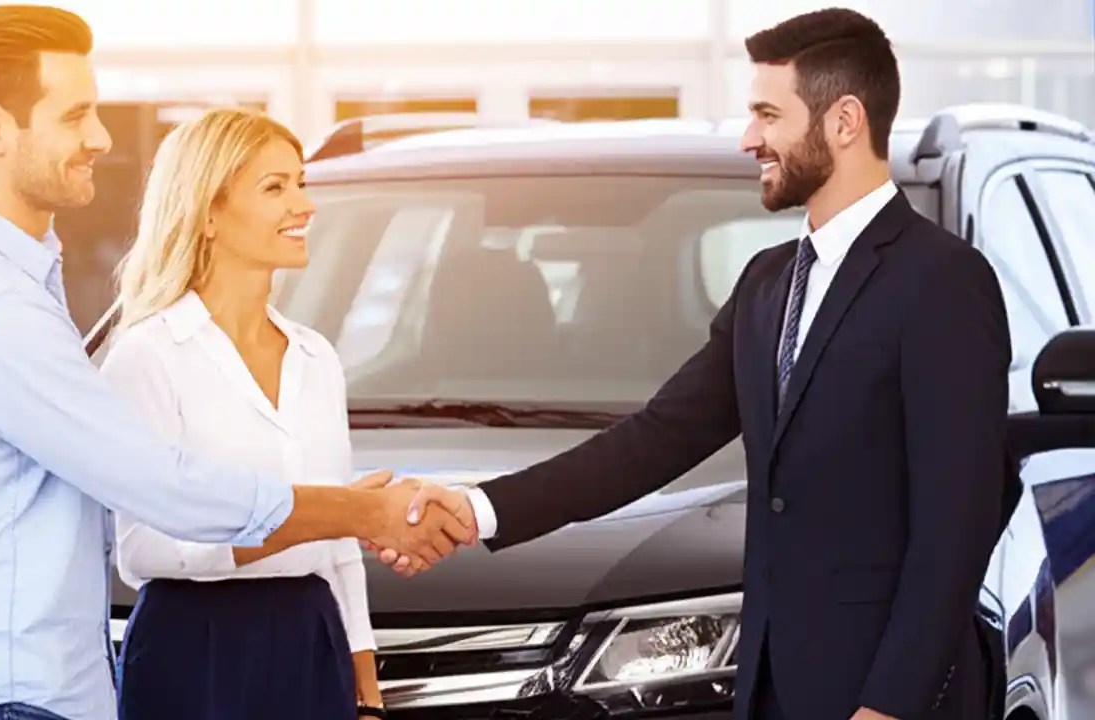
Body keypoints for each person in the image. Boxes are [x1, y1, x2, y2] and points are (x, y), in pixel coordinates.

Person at [381, 8, 1012, 720]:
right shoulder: (768, 285)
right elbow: (653, 442)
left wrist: (889, 707)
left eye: (768, 115)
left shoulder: (942, 282)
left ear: (844, 121)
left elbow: (955, 527)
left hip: (882, 699)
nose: (751, 139)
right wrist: (478, 508)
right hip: (769, 689)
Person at [0, 6, 470, 720]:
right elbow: (164, 489)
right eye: (76, 116)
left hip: (16, 687)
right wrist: (358, 509)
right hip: (4, 697)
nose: (99, 138)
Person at [99, 108, 383, 719]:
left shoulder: (316, 358)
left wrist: (368, 693)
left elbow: (338, 547)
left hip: (313, 639)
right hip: (194, 649)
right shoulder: (147, 357)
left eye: (301, 183)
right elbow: (141, 549)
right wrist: (313, 517)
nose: (304, 206)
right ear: (208, 214)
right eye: (275, 187)